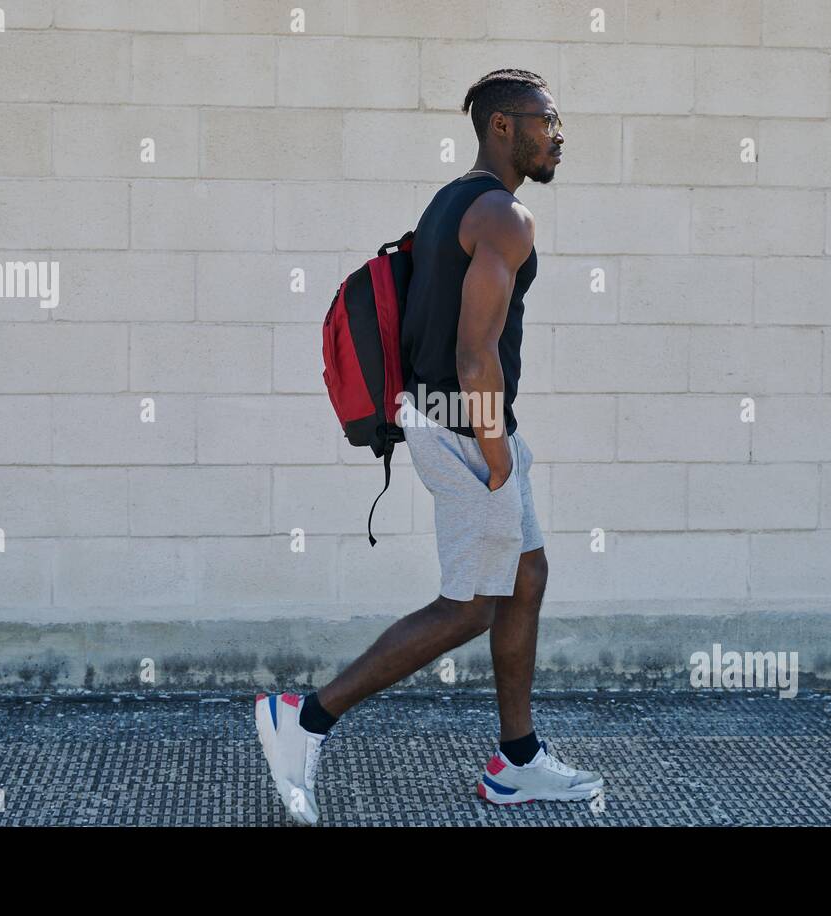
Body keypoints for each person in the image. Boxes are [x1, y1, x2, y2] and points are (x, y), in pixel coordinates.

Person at [255, 69, 601, 825]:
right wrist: (495, 453)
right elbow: (475, 352)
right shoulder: (505, 215)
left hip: (456, 416)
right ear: (503, 125)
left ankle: (517, 762)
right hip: (467, 424)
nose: (559, 134)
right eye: (546, 119)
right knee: (472, 606)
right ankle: (305, 717)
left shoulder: (453, 200)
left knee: (526, 574)